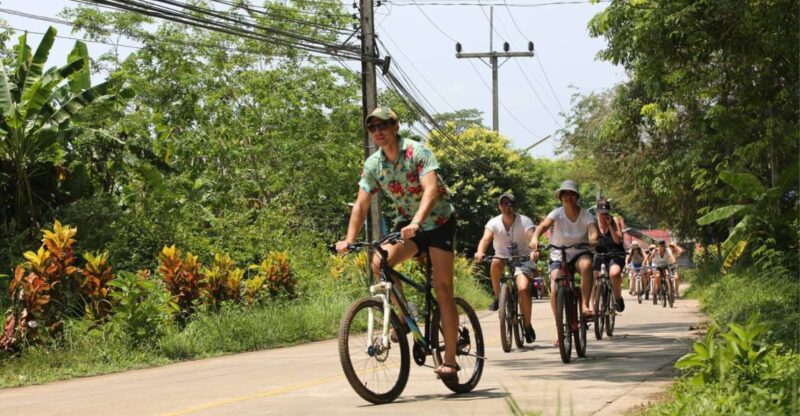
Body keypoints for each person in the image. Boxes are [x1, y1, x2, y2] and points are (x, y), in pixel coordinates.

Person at [335, 107, 460, 379]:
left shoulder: (417, 152)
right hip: (409, 226)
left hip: (438, 223)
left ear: (395, 127)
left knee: (442, 289)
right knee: (380, 261)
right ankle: (403, 317)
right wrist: (350, 239)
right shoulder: (373, 165)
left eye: (384, 125)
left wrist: (417, 221)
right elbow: (361, 204)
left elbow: (431, 190)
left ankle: (450, 360)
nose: (378, 131)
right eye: (373, 128)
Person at [529, 180, 598, 345]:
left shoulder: (586, 215)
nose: (568, 197)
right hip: (559, 255)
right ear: (560, 197)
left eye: (571, 194)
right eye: (565, 194)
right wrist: (534, 238)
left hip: (580, 252)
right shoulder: (556, 213)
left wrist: (593, 240)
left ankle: (586, 305)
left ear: (576, 196)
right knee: (555, 288)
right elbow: (543, 226)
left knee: (587, 265)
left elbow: (593, 231)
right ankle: (559, 327)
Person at [474, 193, 537, 343]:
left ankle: (527, 326)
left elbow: (531, 236)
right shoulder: (493, 222)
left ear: (514, 206)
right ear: (499, 207)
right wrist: (480, 251)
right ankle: (498, 297)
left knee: (523, 289)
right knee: (495, 262)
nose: (506, 206)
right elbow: (486, 238)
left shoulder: (524, 221)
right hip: (502, 257)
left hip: (522, 258)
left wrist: (534, 247)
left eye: (510, 204)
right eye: (503, 204)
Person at [593, 198, 626, 312]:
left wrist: (610, 224)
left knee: (614, 273)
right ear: (597, 212)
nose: (603, 215)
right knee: (592, 275)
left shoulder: (615, 220)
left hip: (615, 253)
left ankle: (617, 298)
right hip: (599, 253)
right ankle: (593, 305)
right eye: (601, 213)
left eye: (606, 212)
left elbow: (617, 240)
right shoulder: (593, 223)